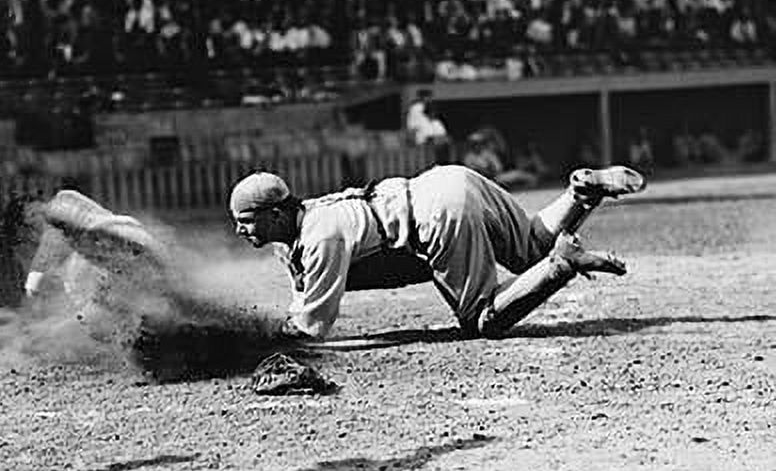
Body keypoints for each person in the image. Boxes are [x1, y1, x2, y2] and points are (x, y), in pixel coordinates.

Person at [229, 163, 647, 340]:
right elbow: (303, 289)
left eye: (246, 219)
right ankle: (581, 193)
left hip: (437, 216)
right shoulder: (306, 221)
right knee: (528, 251)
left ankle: (562, 264)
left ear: (276, 214)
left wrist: (256, 342)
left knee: (483, 321)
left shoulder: (321, 237)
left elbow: (310, 328)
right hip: (448, 180)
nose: (238, 228)